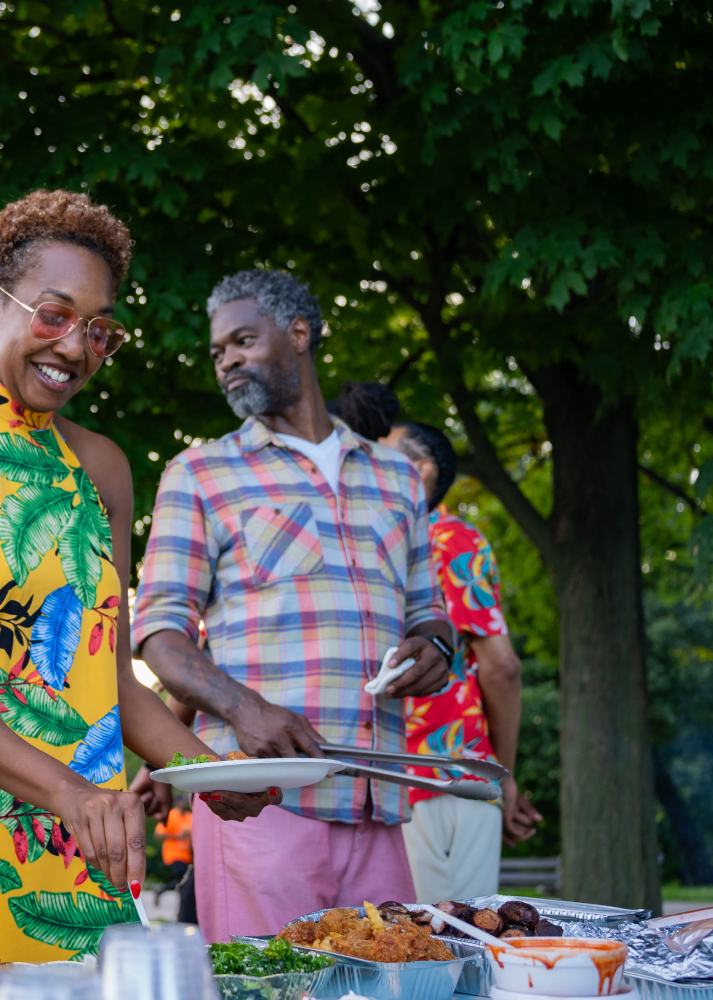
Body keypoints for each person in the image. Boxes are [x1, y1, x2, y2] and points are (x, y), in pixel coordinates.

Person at [0, 191, 278, 982]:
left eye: (100, 330)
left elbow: (107, 673)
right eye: (56, 315)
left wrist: (207, 771)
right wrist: (74, 795)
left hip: (69, 830)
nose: (78, 346)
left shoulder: (104, 466)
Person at [133, 269, 455, 941]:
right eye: (219, 351)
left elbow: (431, 613)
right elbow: (159, 633)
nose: (227, 361)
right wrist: (244, 709)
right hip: (263, 810)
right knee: (272, 988)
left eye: (243, 340)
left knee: (392, 990)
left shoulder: (396, 477)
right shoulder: (201, 473)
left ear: (299, 333)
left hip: (379, 802)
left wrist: (437, 648)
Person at [379, 420, 542, 901]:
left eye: (385, 456)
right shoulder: (450, 540)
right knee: (457, 951)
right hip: (452, 780)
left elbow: (501, 666)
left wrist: (502, 779)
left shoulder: (444, 540)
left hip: (409, 780)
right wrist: (502, 777)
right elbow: (502, 669)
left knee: (421, 955)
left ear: (422, 471)